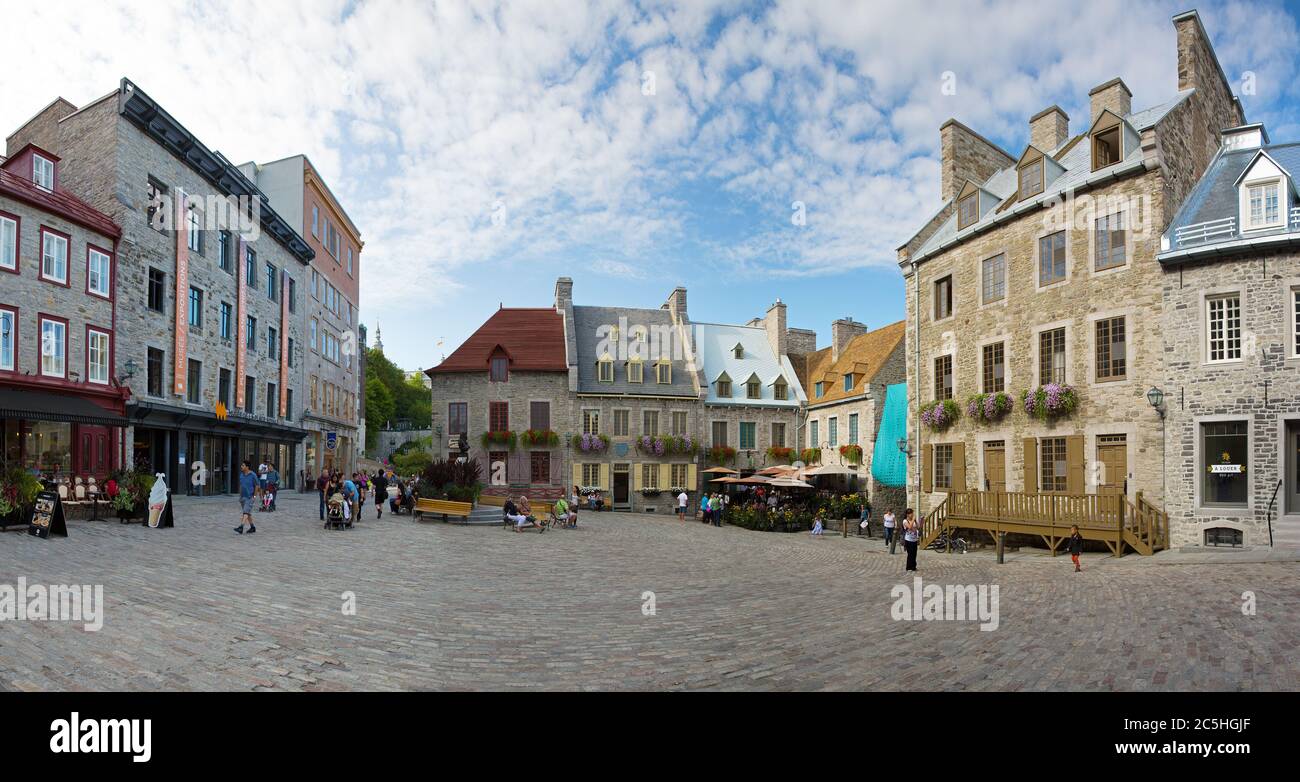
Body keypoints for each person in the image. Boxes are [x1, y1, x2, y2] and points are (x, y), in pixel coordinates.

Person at [234, 461, 257, 535]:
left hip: (250, 497)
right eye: (241, 465)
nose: (241, 466)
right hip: (243, 497)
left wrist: (254, 496)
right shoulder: (241, 475)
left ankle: (241, 527)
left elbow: (257, 485)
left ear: (247, 467)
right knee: (247, 513)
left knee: (246, 512)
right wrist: (240, 496)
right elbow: (241, 485)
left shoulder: (253, 475)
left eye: (243, 465)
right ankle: (252, 527)